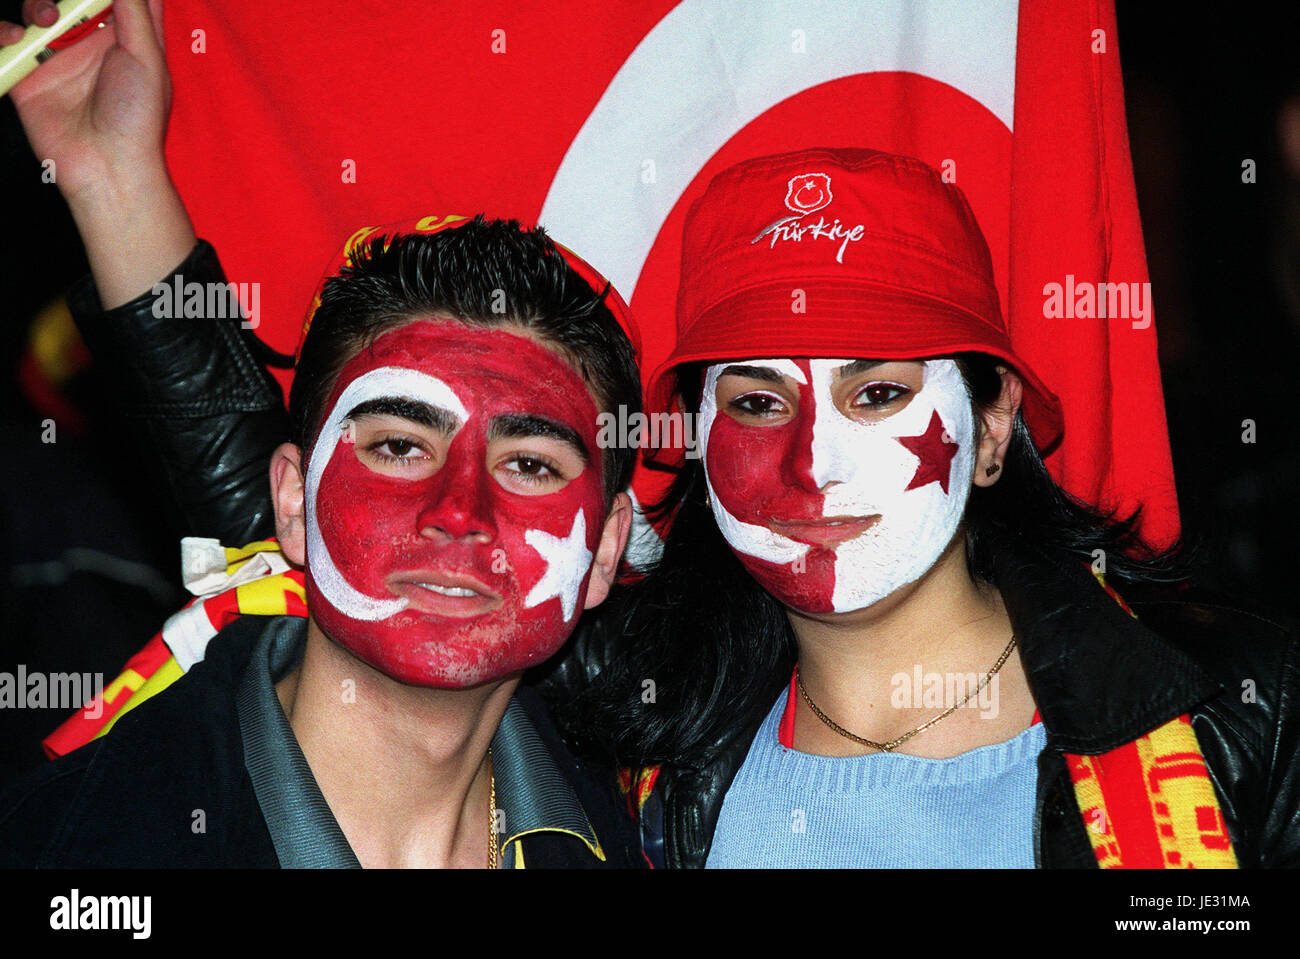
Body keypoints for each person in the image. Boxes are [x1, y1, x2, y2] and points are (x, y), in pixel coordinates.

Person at [563, 148, 1300, 868]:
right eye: (758, 403)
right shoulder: (628, 753)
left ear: (992, 426)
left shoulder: (1243, 715)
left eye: (878, 393)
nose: (812, 462)